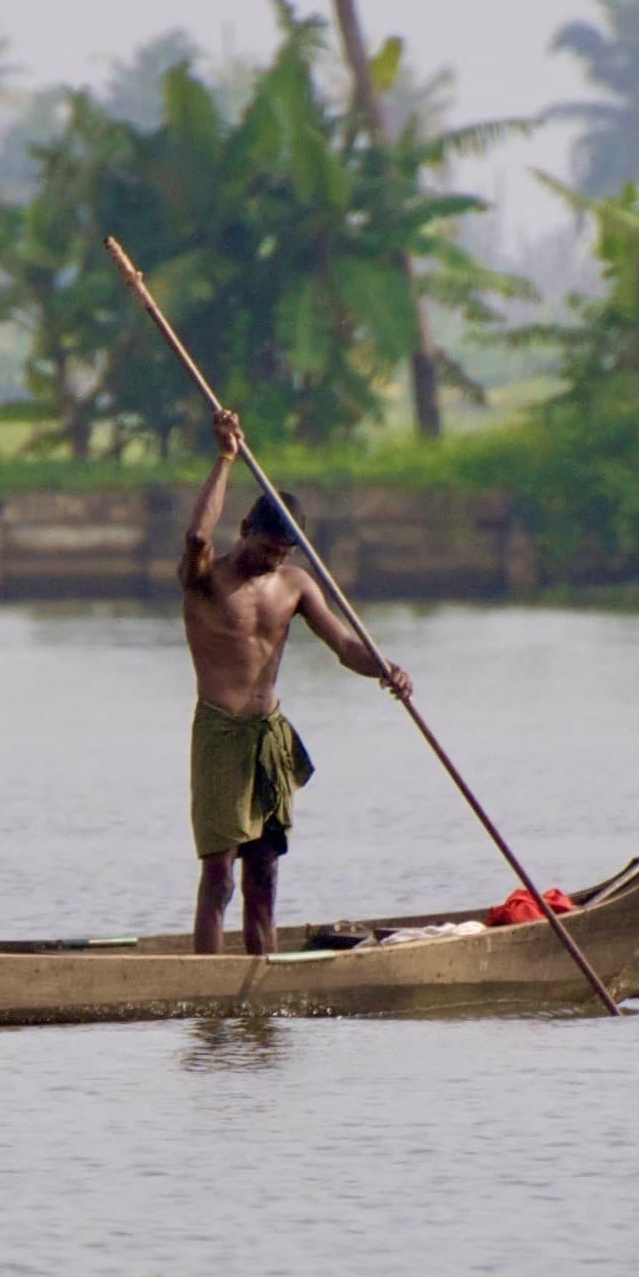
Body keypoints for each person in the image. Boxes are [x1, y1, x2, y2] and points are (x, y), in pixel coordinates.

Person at [180, 408, 412, 956]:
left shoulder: (296, 584)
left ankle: (260, 986)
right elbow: (194, 535)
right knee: (220, 878)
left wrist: (386, 669)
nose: (270, 562)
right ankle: (208, 991)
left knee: (264, 877)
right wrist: (225, 457)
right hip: (220, 736)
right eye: (264, 550)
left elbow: (345, 647)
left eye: (280, 554)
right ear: (244, 531)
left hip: (270, 737)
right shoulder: (206, 581)